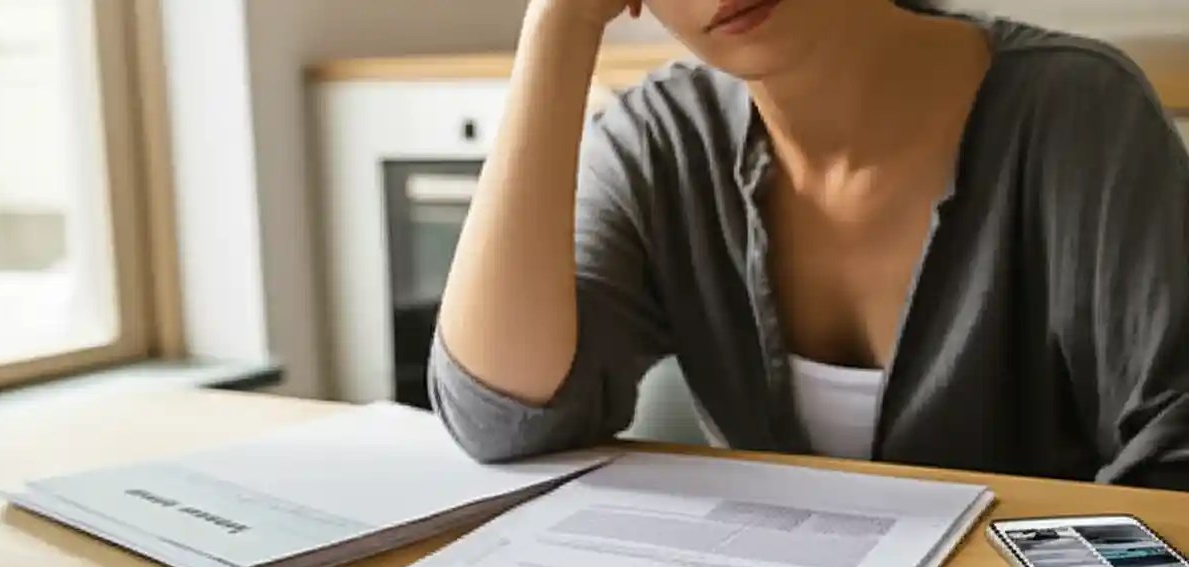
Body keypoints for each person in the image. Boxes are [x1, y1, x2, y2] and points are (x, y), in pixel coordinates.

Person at [429, 0, 1189, 491]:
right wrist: (558, 26)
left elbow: (1175, 457)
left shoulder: (1078, 112)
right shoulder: (661, 144)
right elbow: (503, 420)